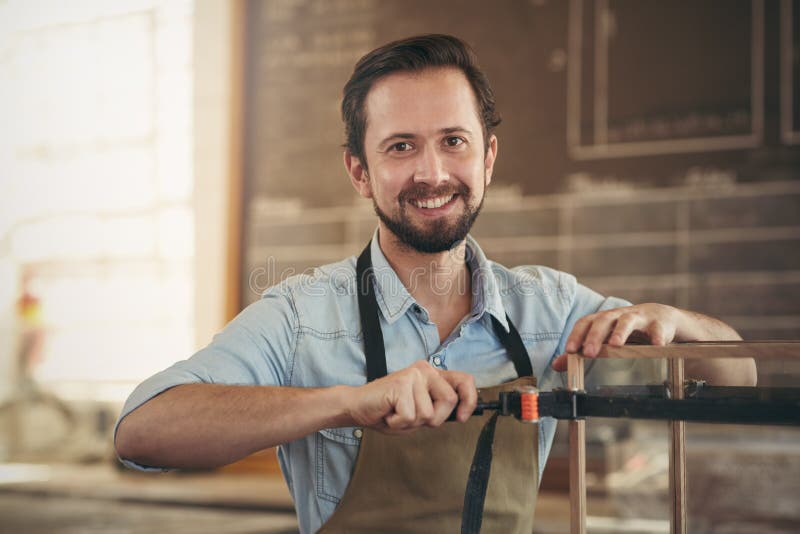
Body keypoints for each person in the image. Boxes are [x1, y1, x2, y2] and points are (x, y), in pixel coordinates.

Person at [115, 34, 756, 533]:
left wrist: (676, 325)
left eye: (454, 141)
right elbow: (140, 431)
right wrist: (346, 402)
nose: (432, 172)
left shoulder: (550, 308)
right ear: (359, 171)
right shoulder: (300, 315)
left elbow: (742, 378)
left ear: (488, 158)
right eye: (400, 147)